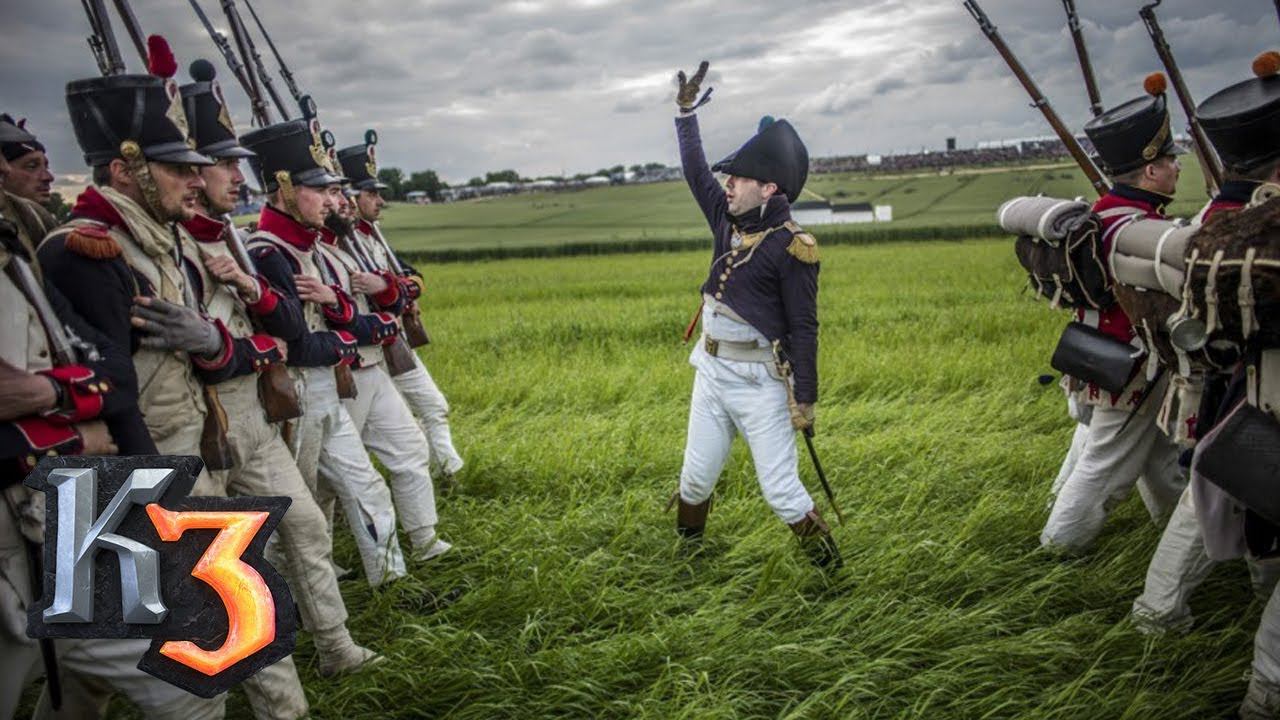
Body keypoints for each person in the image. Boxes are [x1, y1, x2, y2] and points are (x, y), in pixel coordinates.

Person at [24, 62, 228, 718]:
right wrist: (150, 491)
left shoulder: (158, 241)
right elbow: (116, 389)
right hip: (120, 472)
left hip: (158, 454)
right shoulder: (82, 250)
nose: (196, 178)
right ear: (124, 169)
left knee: (93, 662)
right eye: (178, 167)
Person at [177, 61, 379, 698]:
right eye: (222, 165)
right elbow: (254, 343)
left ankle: (335, 647)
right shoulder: (193, 246)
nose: (238, 177)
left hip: (253, 415)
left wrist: (248, 299)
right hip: (197, 426)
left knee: (307, 529)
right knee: (228, 572)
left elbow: (285, 322)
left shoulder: (236, 245)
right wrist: (248, 341)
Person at [1130, 57, 1280, 634]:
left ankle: (1166, 611)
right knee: (1219, 498)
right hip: (1241, 388)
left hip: (1220, 390)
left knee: (1210, 499)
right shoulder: (1243, 227)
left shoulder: (1218, 223)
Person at [669, 61, 839, 569]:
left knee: (783, 492)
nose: (727, 183)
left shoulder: (793, 247)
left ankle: (835, 579)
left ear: (768, 188)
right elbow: (695, 170)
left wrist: (804, 397)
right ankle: (688, 564)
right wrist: (685, 114)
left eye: (737, 177)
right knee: (695, 479)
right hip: (712, 372)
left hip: (760, 383)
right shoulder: (726, 219)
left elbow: (805, 328)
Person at [240, 118, 409, 586]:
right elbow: (296, 340)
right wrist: (347, 340)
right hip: (297, 392)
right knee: (296, 512)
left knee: (364, 486)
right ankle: (278, 601)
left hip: (325, 388)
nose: (333, 201)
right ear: (284, 189)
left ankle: (391, 582)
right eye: (319, 189)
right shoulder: (269, 251)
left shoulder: (306, 247)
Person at [1039, 75, 1186, 554]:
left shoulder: (1103, 213)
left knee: (1162, 460)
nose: (1176, 168)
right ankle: (1058, 548)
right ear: (1148, 172)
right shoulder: (1137, 229)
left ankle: (1181, 537)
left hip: (1104, 355)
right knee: (1103, 470)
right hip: (1135, 366)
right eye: (1168, 160)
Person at [319, 180, 451, 563]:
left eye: (341, 193)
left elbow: (394, 289)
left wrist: (385, 292)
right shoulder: (313, 252)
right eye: (328, 193)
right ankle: (323, 561)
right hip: (344, 373)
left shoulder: (349, 245)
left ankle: (423, 540)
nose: (340, 202)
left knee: (410, 448)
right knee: (330, 480)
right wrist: (379, 323)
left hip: (373, 364)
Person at [337, 137, 467, 488]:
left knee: (432, 406)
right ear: (351, 197)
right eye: (370, 193)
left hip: (394, 339)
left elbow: (412, 277)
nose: (379, 201)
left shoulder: (372, 235)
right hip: (368, 346)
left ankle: (447, 471)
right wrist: (393, 287)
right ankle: (439, 473)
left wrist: (398, 287)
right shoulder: (343, 241)